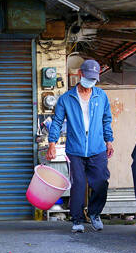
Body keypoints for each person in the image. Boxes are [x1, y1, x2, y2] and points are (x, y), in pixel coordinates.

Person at [46, 59, 114, 233]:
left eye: (94, 78)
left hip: (97, 148)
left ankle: (94, 213)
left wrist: (109, 140)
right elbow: (57, 122)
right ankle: (77, 219)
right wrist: (52, 143)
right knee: (79, 184)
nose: (90, 81)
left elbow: (106, 120)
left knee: (101, 182)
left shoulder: (101, 96)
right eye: (88, 77)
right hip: (75, 149)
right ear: (80, 74)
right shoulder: (66, 99)